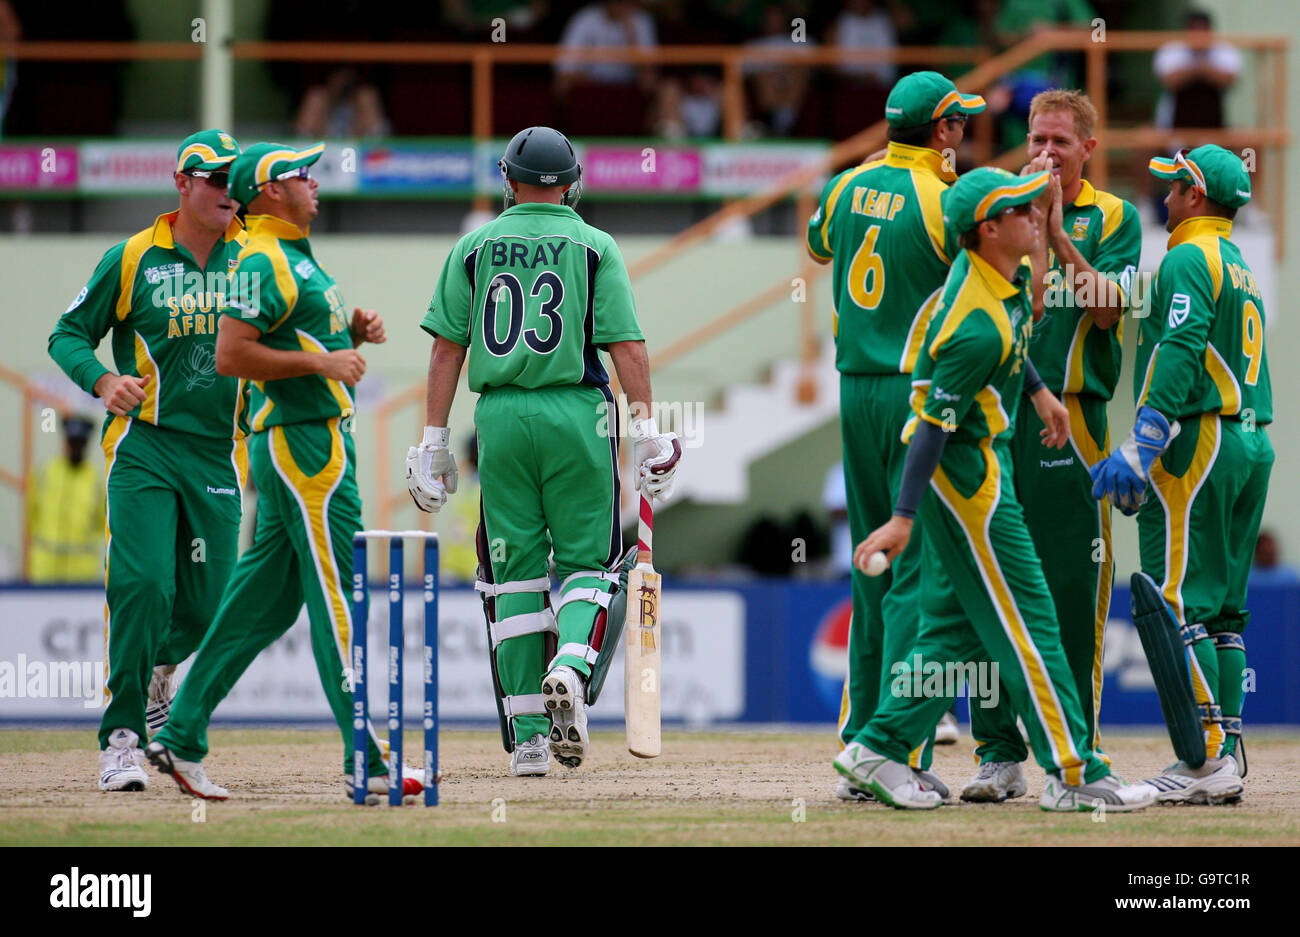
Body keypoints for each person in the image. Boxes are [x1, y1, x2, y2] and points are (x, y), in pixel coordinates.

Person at [835, 166, 1157, 813]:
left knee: (956, 632)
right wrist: (902, 519)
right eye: (1019, 210)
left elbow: (1022, 326)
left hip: (988, 461)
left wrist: (1039, 393)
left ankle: (877, 746)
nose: (1033, 214)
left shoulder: (999, 281)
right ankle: (1074, 769)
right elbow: (929, 425)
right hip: (968, 481)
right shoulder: (972, 320)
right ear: (988, 228)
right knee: (1031, 622)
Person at [407, 126, 681, 776]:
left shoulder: (474, 246)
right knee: (591, 564)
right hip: (577, 412)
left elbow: (447, 347)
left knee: (515, 579)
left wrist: (432, 441)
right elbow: (627, 349)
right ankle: (570, 666)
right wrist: (650, 430)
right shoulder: (594, 245)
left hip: (497, 417)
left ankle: (530, 739)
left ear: (508, 181)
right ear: (572, 183)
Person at [144, 142, 408, 802]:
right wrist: (324, 366)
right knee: (338, 599)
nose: (313, 182)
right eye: (299, 174)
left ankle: (179, 733)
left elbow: (286, 329)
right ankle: (366, 759)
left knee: (263, 607)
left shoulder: (284, 255)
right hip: (306, 449)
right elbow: (232, 353)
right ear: (268, 191)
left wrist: (350, 326)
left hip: (304, 443)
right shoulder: (263, 256)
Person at [47, 130, 248, 792]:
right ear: (182, 183)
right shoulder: (132, 257)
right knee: (143, 584)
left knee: (215, 600)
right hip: (145, 443)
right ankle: (123, 738)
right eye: (214, 178)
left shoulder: (256, 258)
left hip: (220, 450)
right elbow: (67, 333)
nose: (227, 189)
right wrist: (104, 383)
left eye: (234, 178)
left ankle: (162, 668)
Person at [805, 70, 983, 802]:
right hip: (914, 393)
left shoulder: (849, 185)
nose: (964, 132)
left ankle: (858, 741)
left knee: (869, 564)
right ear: (939, 129)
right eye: (958, 122)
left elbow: (820, 246)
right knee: (914, 570)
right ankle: (895, 751)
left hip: (853, 390)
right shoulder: (947, 201)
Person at [962, 89, 1140, 803]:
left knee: (1071, 592)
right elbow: (1018, 309)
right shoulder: (1005, 208)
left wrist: (1061, 236)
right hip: (1005, 420)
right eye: (1036, 139)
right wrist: (1029, 228)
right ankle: (997, 754)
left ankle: (1078, 758)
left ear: (1087, 149)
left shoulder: (1115, 217)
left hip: (1079, 424)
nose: (1044, 153)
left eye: (1060, 142)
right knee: (994, 584)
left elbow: (1108, 311)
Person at [1092, 144, 1269, 804]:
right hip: (1252, 440)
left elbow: (1180, 349)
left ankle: (1206, 761)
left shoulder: (1188, 257)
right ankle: (1225, 749)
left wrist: (1142, 444)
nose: (1162, 197)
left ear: (1196, 196)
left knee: (1172, 602)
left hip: (1202, 440)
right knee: (1224, 614)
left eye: (1173, 188)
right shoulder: (1239, 263)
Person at [26, 414, 104, 583]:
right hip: (44, 567)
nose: (75, 448)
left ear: (86, 444)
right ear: (65, 442)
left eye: (80, 444)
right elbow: (32, 513)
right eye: (72, 442)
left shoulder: (96, 480)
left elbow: (101, 521)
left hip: (82, 570)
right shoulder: (45, 472)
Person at [1154, 11, 1241, 132]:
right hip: (1172, 127)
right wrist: (1200, 67)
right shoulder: (1171, 50)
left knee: (1250, 142)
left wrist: (1198, 66)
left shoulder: (1225, 50)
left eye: (1202, 30)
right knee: (1145, 141)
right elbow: (1170, 81)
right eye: (1193, 29)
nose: (1198, 35)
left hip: (1217, 126)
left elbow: (1229, 80)